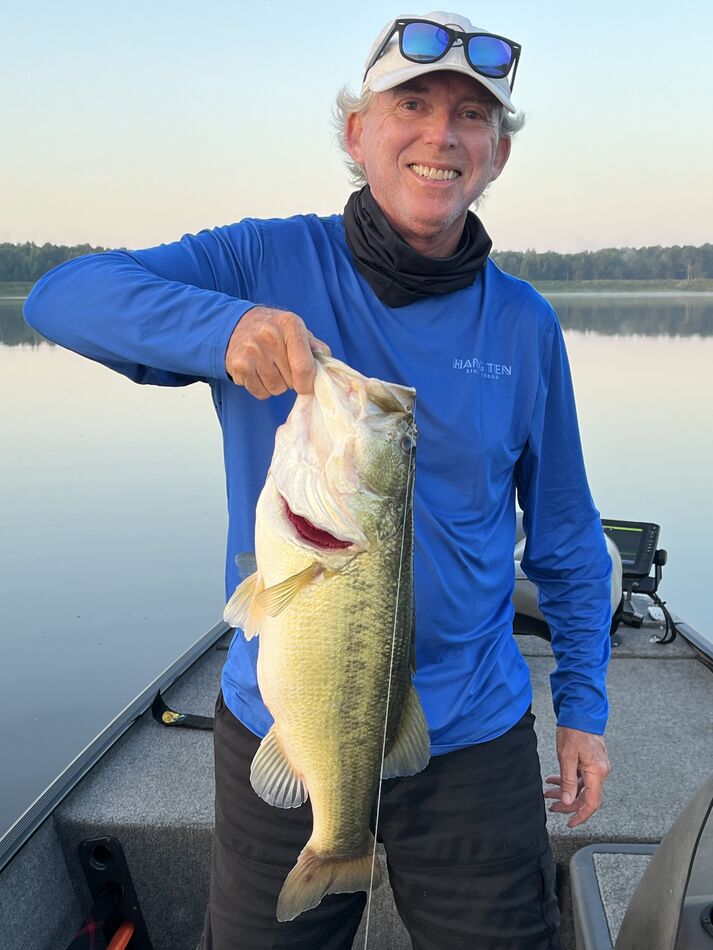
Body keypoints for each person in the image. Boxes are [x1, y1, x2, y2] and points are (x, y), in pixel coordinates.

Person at [24, 10, 612, 949]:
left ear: (495, 155)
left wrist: (582, 705)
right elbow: (63, 295)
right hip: (288, 723)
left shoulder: (525, 324)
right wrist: (218, 334)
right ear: (356, 134)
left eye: (471, 117)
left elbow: (568, 532)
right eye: (410, 104)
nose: (440, 134)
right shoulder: (261, 260)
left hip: (469, 736)